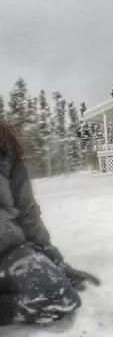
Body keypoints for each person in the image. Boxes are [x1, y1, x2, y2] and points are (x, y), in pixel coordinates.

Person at [0, 117, 99, 325]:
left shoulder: (5, 148)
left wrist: (51, 257)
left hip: (8, 251)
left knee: (60, 299)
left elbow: (26, 209)